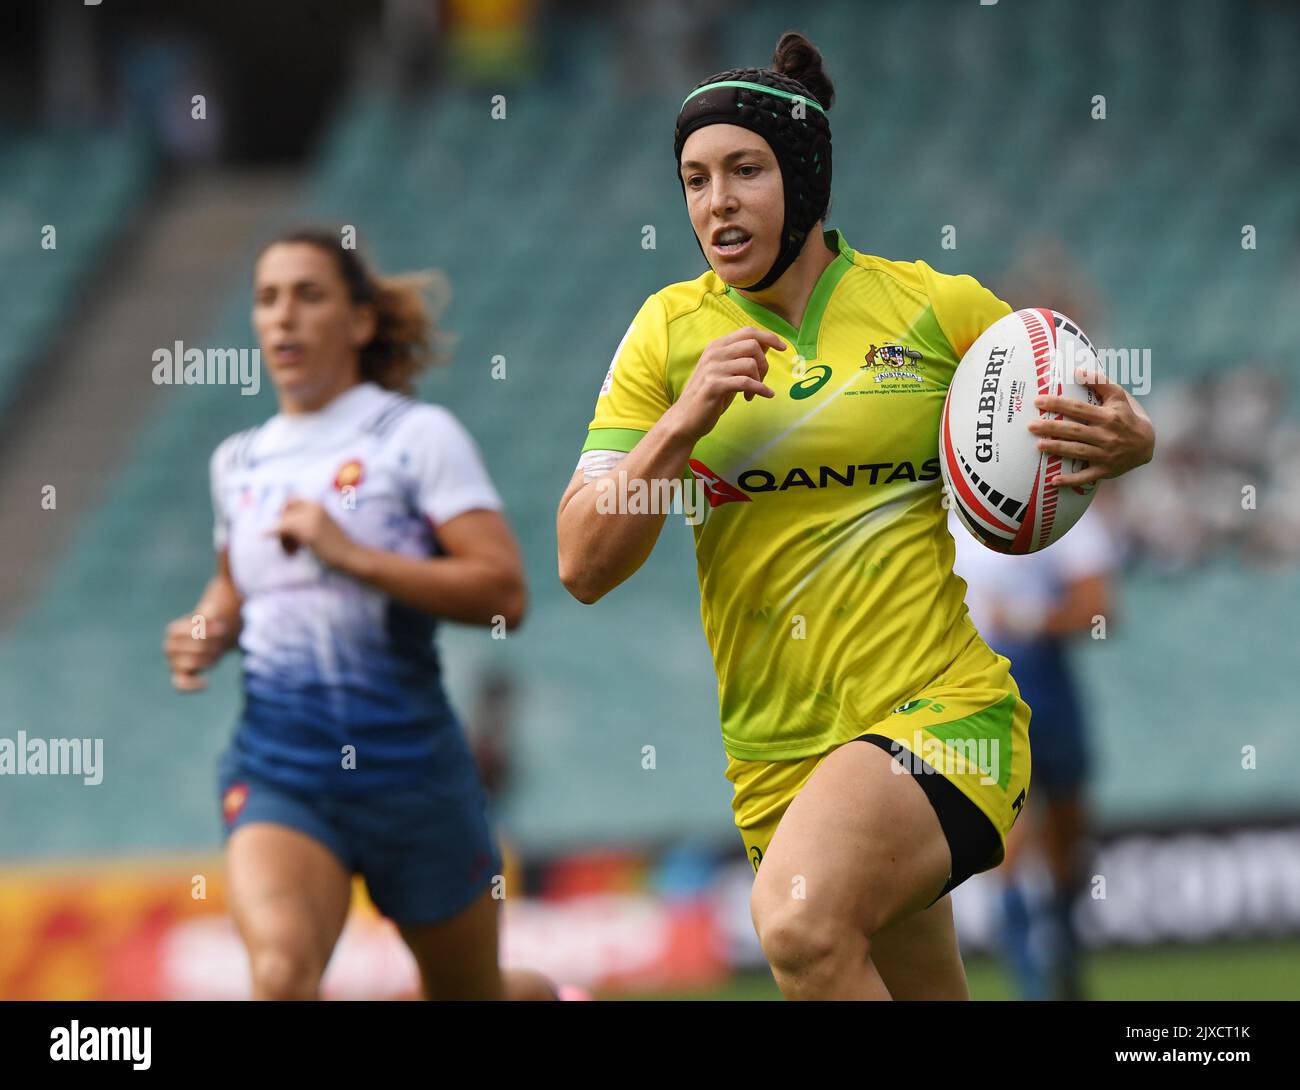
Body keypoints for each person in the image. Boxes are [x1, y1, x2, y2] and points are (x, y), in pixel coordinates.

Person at [556, 31, 1155, 1000]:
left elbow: (1070, 404)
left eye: (743, 170)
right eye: (695, 178)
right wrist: (682, 421)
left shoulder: (931, 307)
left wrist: (1135, 443)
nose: (716, 202)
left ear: (802, 173)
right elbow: (582, 561)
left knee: (798, 922)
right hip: (776, 759)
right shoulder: (667, 335)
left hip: (945, 715)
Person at [163, 229, 554, 1000]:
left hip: (412, 772)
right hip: (283, 769)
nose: (284, 318)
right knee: (279, 974)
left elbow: (504, 594)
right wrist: (208, 629)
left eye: (310, 295)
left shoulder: (414, 438)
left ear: (361, 322)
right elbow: (238, 588)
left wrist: (356, 559)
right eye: (268, 299)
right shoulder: (237, 460)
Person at [949, 502, 1120, 1000]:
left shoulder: (1061, 510)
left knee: (1068, 836)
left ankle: (1064, 956)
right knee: (1007, 836)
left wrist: (1025, 617)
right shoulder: (939, 514)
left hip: (1046, 681)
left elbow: (1101, 608)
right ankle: (1032, 984)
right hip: (979, 693)